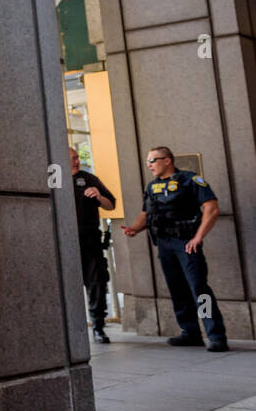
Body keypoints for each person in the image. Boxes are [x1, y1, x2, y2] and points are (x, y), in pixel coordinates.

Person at [122, 146, 227, 351]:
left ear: (167, 160)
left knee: (199, 288)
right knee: (177, 289)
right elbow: (146, 214)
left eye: (153, 161)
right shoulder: (152, 187)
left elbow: (212, 208)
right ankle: (190, 332)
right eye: (147, 162)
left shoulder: (190, 180)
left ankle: (216, 335)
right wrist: (134, 228)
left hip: (186, 242)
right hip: (164, 244)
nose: (149, 165)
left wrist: (198, 237)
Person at [70, 147, 115, 344]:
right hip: (65, 241)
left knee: (96, 282)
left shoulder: (89, 179)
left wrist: (98, 196)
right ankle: (70, 329)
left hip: (90, 239)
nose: (77, 161)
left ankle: (98, 327)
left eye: (77, 158)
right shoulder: (54, 178)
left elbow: (110, 205)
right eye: (72, 158)